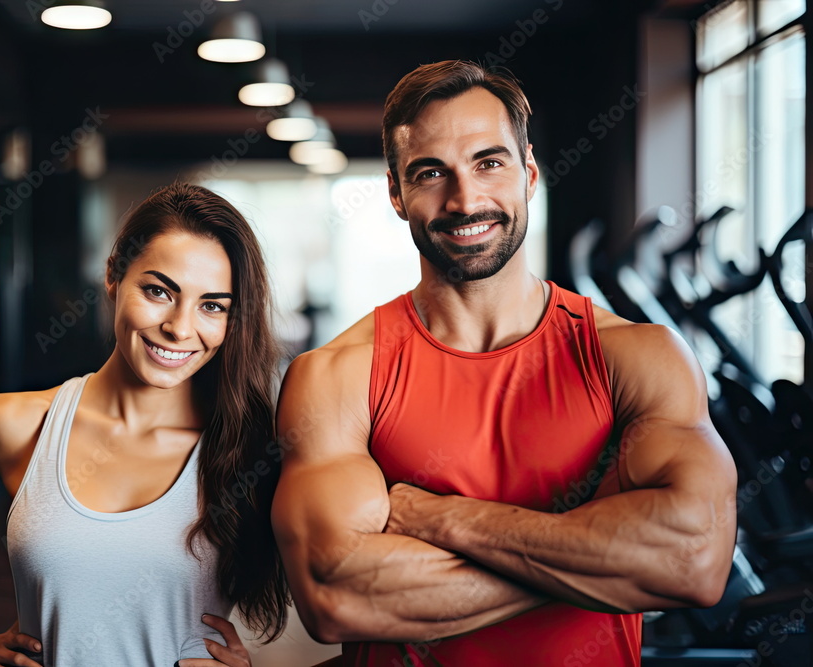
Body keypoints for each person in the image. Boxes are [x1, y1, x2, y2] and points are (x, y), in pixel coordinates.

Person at [272, 60, 738, 665]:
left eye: (489, 163)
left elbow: (694, 560)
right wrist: (603, 558)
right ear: (395, 193)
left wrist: (440, 519)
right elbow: (336, 597)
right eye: (431, 173)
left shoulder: (635, 357)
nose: (466, 200)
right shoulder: (338, 376)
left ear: (529, 174)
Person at [0, 182, 289, 667]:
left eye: (212, 306)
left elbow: (344, 610)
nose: (180, 328)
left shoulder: (248, 449)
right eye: (158, 291)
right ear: (114, 275)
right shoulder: (15, 424)